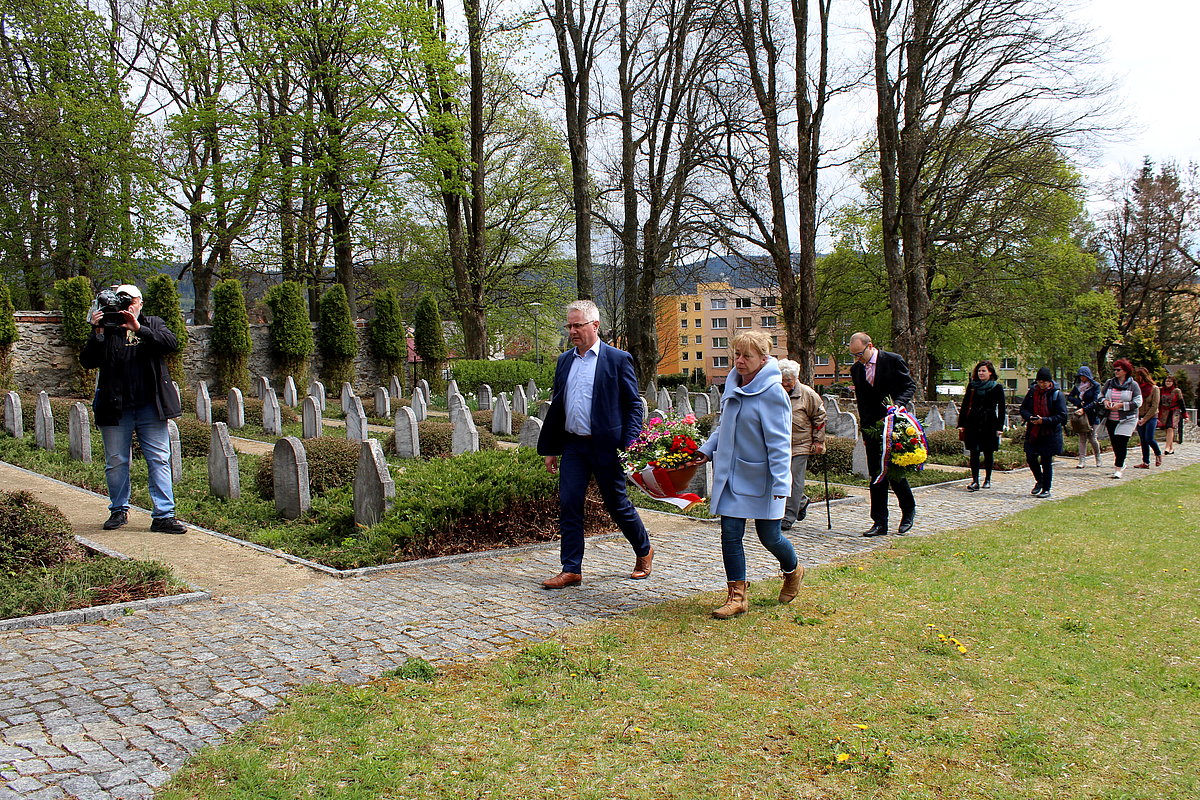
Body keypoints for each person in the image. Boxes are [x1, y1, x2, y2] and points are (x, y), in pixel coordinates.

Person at [537, 300, 653, 589]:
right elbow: (559, 406)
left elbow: (633, 405)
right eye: (569, 326)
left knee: (617, 504)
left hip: (607, 446)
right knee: (569, 503)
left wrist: (629, 445)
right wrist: (551, 447)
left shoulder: (618, 359)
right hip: (574, 446)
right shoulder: (565, 361)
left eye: (578, 325)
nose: (572, 331)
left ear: (595, 325)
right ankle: (571, 569)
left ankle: (643, 550)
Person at [695, 331, 801, 619]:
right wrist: (706, 450)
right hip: (732, 474)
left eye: (747, 356)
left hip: (763, 477)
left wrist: (782, 483)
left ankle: (793, 570)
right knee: (730, 534)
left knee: (770, 537)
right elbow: (724, 426)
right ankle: (737, 597)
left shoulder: (773, 393)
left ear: (763, 359)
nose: (739, 361)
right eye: (737, 355)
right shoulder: (733, 385)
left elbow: (780, 443)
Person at [79, 284, 187, 534]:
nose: (128, 307)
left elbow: (171, 344)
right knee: (116, 461)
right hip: (115, 406)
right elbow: (88, 361)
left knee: (159, 459)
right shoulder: (108, 327)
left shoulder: (153, 323)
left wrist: (139, 328)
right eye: (123, 302)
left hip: (151, 406)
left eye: (132, 302)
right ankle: (118, 510)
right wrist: (97, 332)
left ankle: (164, 516)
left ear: (140, 303)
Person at [848, 332, 916, 537]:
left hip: (893, 424)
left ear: (870, 346)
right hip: (872, 428)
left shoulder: (892, 360)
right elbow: (862, 402)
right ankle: (879, 522)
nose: (858, 359)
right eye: (854, 355)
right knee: (876, 475)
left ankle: (908, 510)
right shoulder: (856, 369)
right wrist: (864, 429)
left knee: (895, 472)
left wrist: (897, 405)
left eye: (860, 354)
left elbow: (909, 386)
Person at [776, 359, 826, 529]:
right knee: (780, 479)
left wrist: (818, 441)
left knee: (794, 480)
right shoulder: (776, 392)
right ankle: (802, 501)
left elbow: (820, 417)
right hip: (780, 444)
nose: (785, 384)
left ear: (796, 378)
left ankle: (788, 517)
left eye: (788, 380)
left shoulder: (807, 394)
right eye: (782, 380)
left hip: (801, 443)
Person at [1019, 367, 1068, 498]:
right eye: (1040, 382)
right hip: (1034, 431)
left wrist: (1044, 420)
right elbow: (1023, 409)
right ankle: (1039, 480)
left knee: (1046, 461)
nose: (1042, 385)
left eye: (1044, 382)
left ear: (1050, 382)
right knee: (1030, 457)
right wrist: (1030, 417)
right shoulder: (1032, 393)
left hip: (1049, 432)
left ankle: (1046, 488)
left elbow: (1062, 415)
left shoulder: (1057, 394)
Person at [958, 360, 1006, 491]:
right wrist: (961, 423)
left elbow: (1002, 408)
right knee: (974, 451)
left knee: (988, 451)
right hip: (973, 421)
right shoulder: (973, 386)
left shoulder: (997, 387)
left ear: (990, 372)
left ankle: (988, 479)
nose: (981, 373)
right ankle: (975, 480)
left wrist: (1000, 426)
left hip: (989, 422)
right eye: (979, 371)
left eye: (984, 370)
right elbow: (965, 405)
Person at [1099, 359, 1142, 479]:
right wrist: (1105, 401)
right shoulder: (1109, 383)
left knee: (1121, 442)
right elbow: (1100, 396)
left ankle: (1118, 468)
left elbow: (1138, 402)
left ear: (1125, 371)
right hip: (1111, 418)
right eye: (1115, 369)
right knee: (1115, 443)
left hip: (1127, 419)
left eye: (1118, 370)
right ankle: (1121, 463)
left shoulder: (1133, 385)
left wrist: (1122, 405)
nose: (1116, 372)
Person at [1066, 366, 1103, 469]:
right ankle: (1082, 460)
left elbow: (1096, 401)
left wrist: (1085, 408)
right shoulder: (1077, 386)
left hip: (1092, 414)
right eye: (1080, 376)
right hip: (1081, 415)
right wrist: (1078, 402)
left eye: (1083, 376)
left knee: (1092, 437)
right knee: (1082, 437)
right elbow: (1070, 397)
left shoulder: (1095, 386)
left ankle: (1098, 457)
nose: (1082, 378)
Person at [1133, 366, 1162, 469]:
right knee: (1143, 440)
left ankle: (1158, 453)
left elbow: (1154, 406)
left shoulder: (1154, 389)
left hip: (1151, 417)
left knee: (1149, 438)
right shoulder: (1137, 389)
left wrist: (1145, 419)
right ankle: (1145, 462)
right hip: (1139, 416)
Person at [1158, 374, 1186, 455]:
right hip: (1164, 412)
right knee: (1166, 429)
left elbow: (1181, 402)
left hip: (1174, 411)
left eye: (1170, 381)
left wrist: (1184, 414)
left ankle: (1167, 447)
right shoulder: (1161, 390)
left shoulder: (1176, 391)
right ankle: (1171, 448)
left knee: (1170, 427)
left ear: (1173, 382)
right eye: (1167, 381)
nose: (1168, 383)